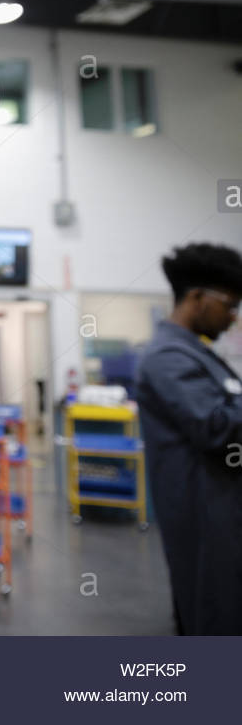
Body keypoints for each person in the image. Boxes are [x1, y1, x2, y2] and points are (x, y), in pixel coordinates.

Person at [136, 242, 242, 635]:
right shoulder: (167, 357)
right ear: (196, 297)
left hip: (223, 511)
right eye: (230, 305)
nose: (233, 318)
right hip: (205, 519)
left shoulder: (196, 354)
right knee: (216, 619)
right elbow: (217, 427)